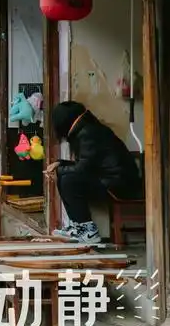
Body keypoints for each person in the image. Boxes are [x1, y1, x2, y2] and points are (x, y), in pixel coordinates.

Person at [47, 100, 142, 243]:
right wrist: (60, 164)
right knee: (65, 176)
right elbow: (86, 164)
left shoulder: (87, 133)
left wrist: (60, 170)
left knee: (67, 179)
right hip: (114, 179)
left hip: (119, 184)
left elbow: (82, 169)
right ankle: (79, 226)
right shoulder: (87, 129)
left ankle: (87, 230)